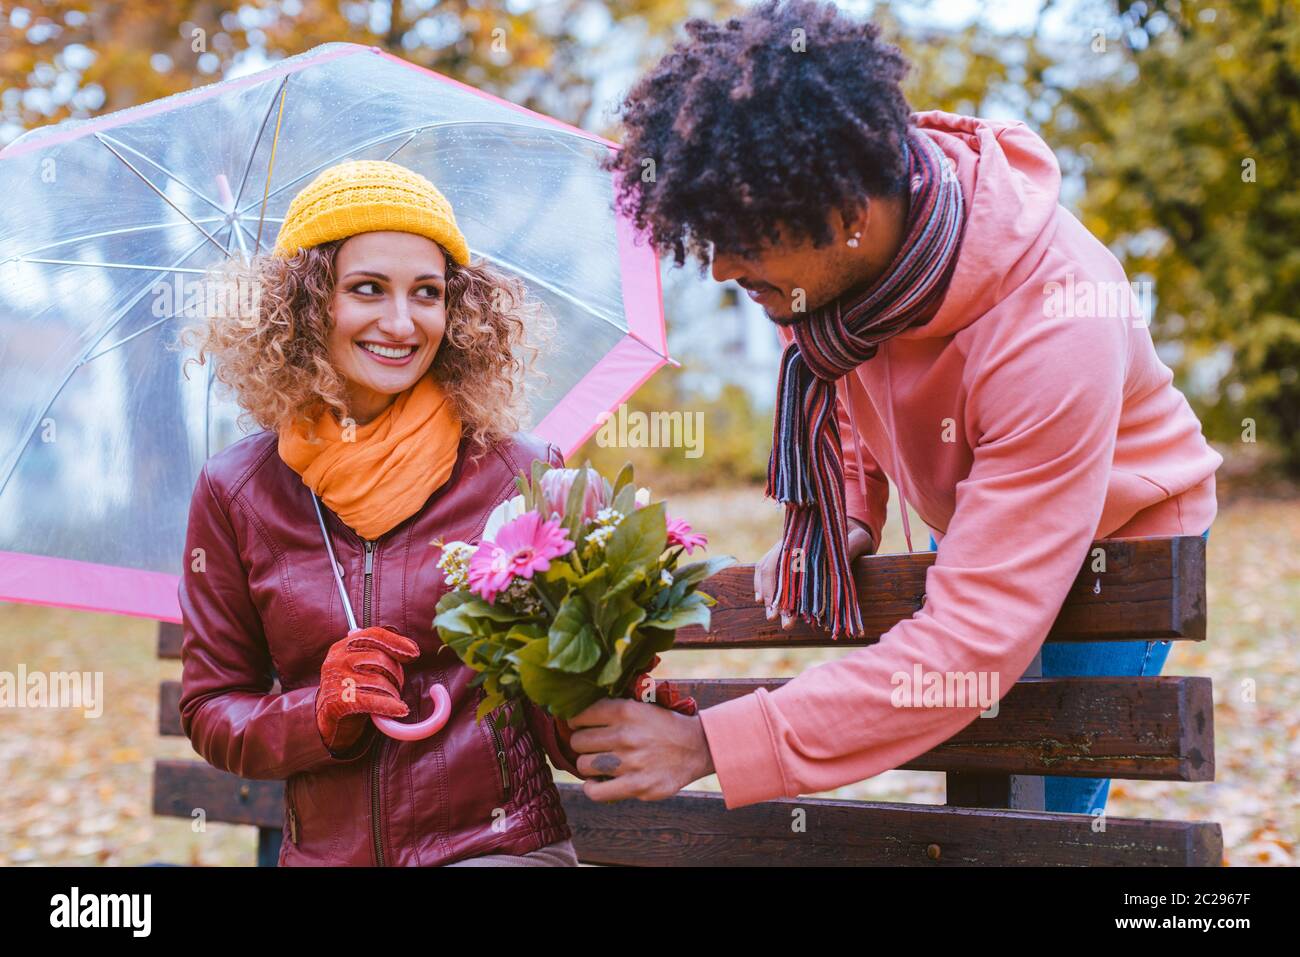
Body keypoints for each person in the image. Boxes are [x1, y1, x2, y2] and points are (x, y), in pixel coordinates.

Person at [564, 0, 1222, 814]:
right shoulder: (826, 269)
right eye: (713, 233)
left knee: (1044, 806)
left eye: (744, 237)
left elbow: (968, 648)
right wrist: (846, 508)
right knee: (983, 773)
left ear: (849, 220)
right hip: (989, 499)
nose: (724, 266)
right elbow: (840, 380)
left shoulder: (1056, 323)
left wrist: (711, 743)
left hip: (1123, 531)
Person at [176, 159, 582, 865]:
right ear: (305, 305)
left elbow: (561, 711)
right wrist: (318, 712)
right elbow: (214, 708)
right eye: (368, 289)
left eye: (427, 293)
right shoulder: (236, 489)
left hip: (496, 848)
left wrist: (611, 676)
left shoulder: (520, 472)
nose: (401, 322)